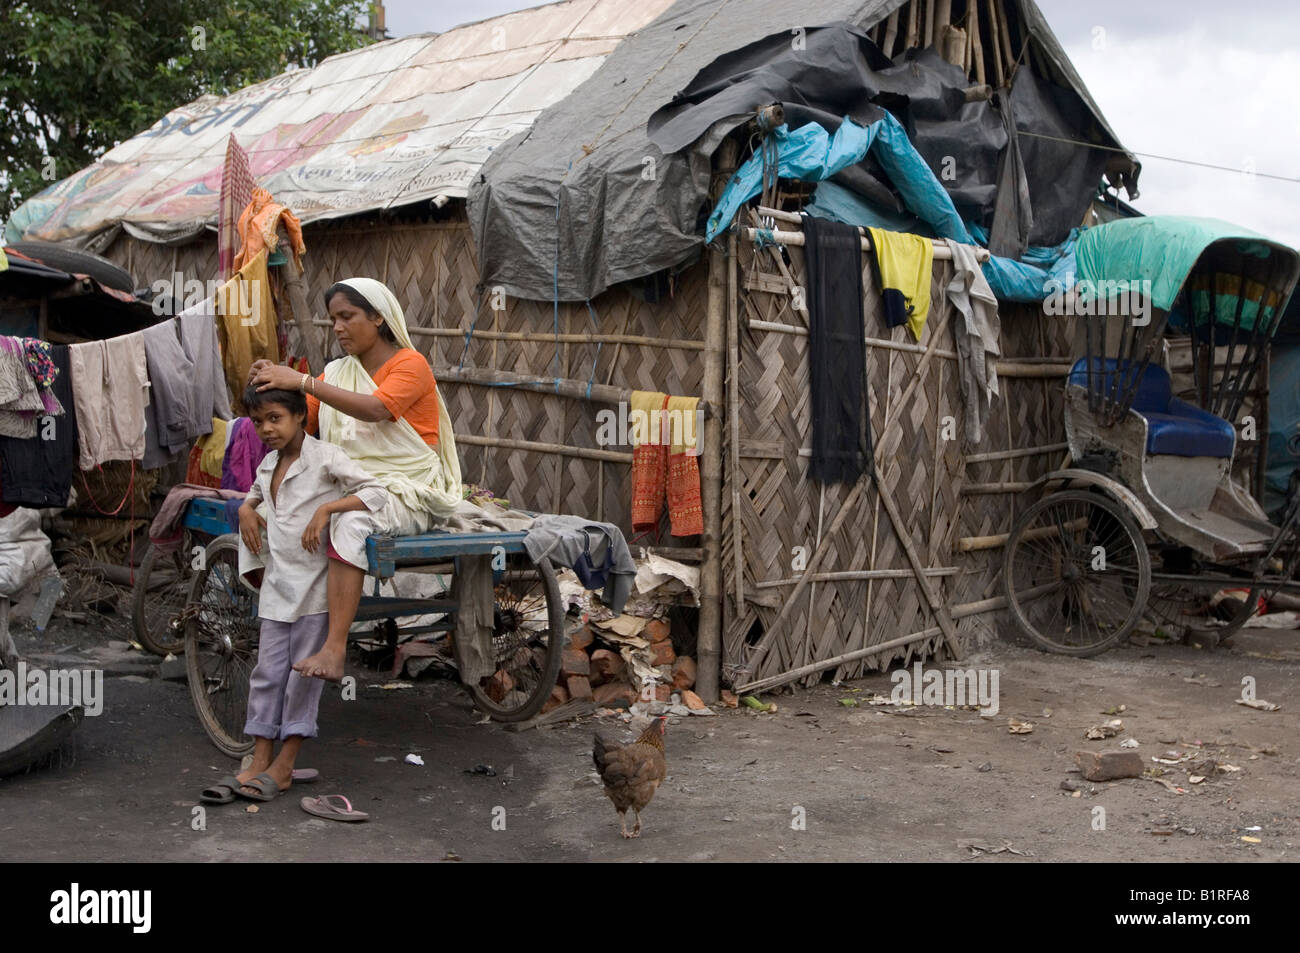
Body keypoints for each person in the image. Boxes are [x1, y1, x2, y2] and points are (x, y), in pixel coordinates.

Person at [246, 279, 462, 682]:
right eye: (332, 320)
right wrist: (270, 386)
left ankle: (334, 648)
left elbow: (376, 409)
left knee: (349, 521)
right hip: (348, 483)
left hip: (406, 491)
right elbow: (298, 427)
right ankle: (287, 623)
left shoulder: (410, 365)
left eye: (347, 316)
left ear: (378, 316)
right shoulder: (336, 373)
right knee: (287, 515)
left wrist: (304, 382)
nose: (338, 328)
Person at [209, 384, 387, 802]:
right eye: (258, 421)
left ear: (299, 419)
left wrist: (327, 510)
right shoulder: (269, 465)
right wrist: (246, 509)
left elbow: (377, 492)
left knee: (301, 680)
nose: (266, 429)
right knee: (267, 675)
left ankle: (285, 765)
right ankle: (258, 758)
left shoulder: (326, 459)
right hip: (278, 588)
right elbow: (254, 497)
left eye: (276, 419)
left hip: (315, 592)